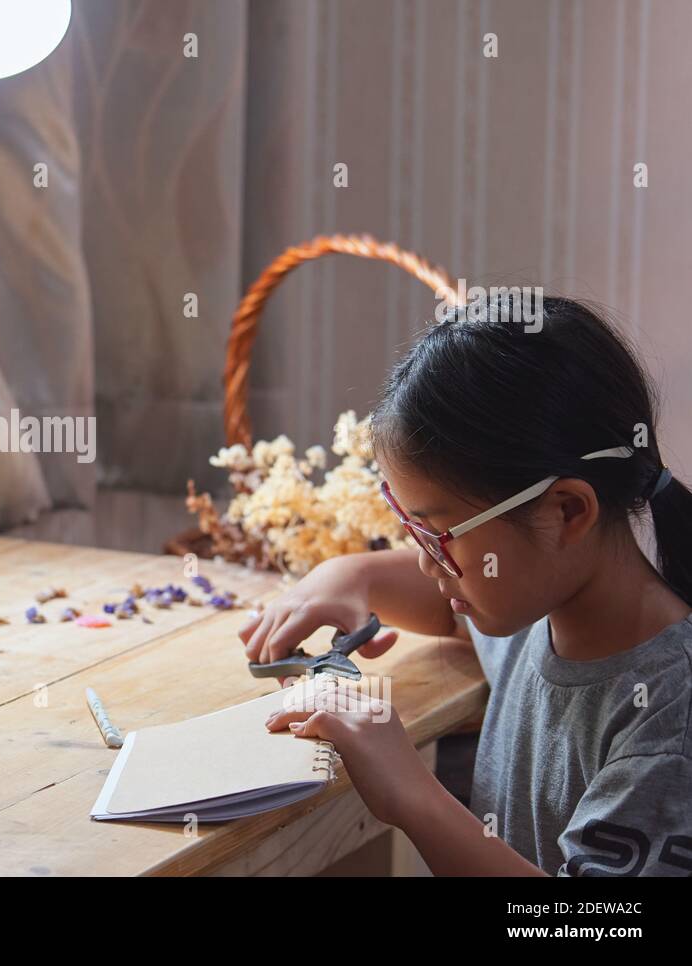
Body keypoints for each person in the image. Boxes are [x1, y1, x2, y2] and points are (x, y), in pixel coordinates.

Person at [241, 296, 692, 875]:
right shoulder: (539, 608)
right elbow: (452, 602)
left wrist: (414, 797)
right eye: (412, 531)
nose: (428, 564)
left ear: (568, 512)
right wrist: (347, 575)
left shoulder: (668, 721)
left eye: (438, 534)